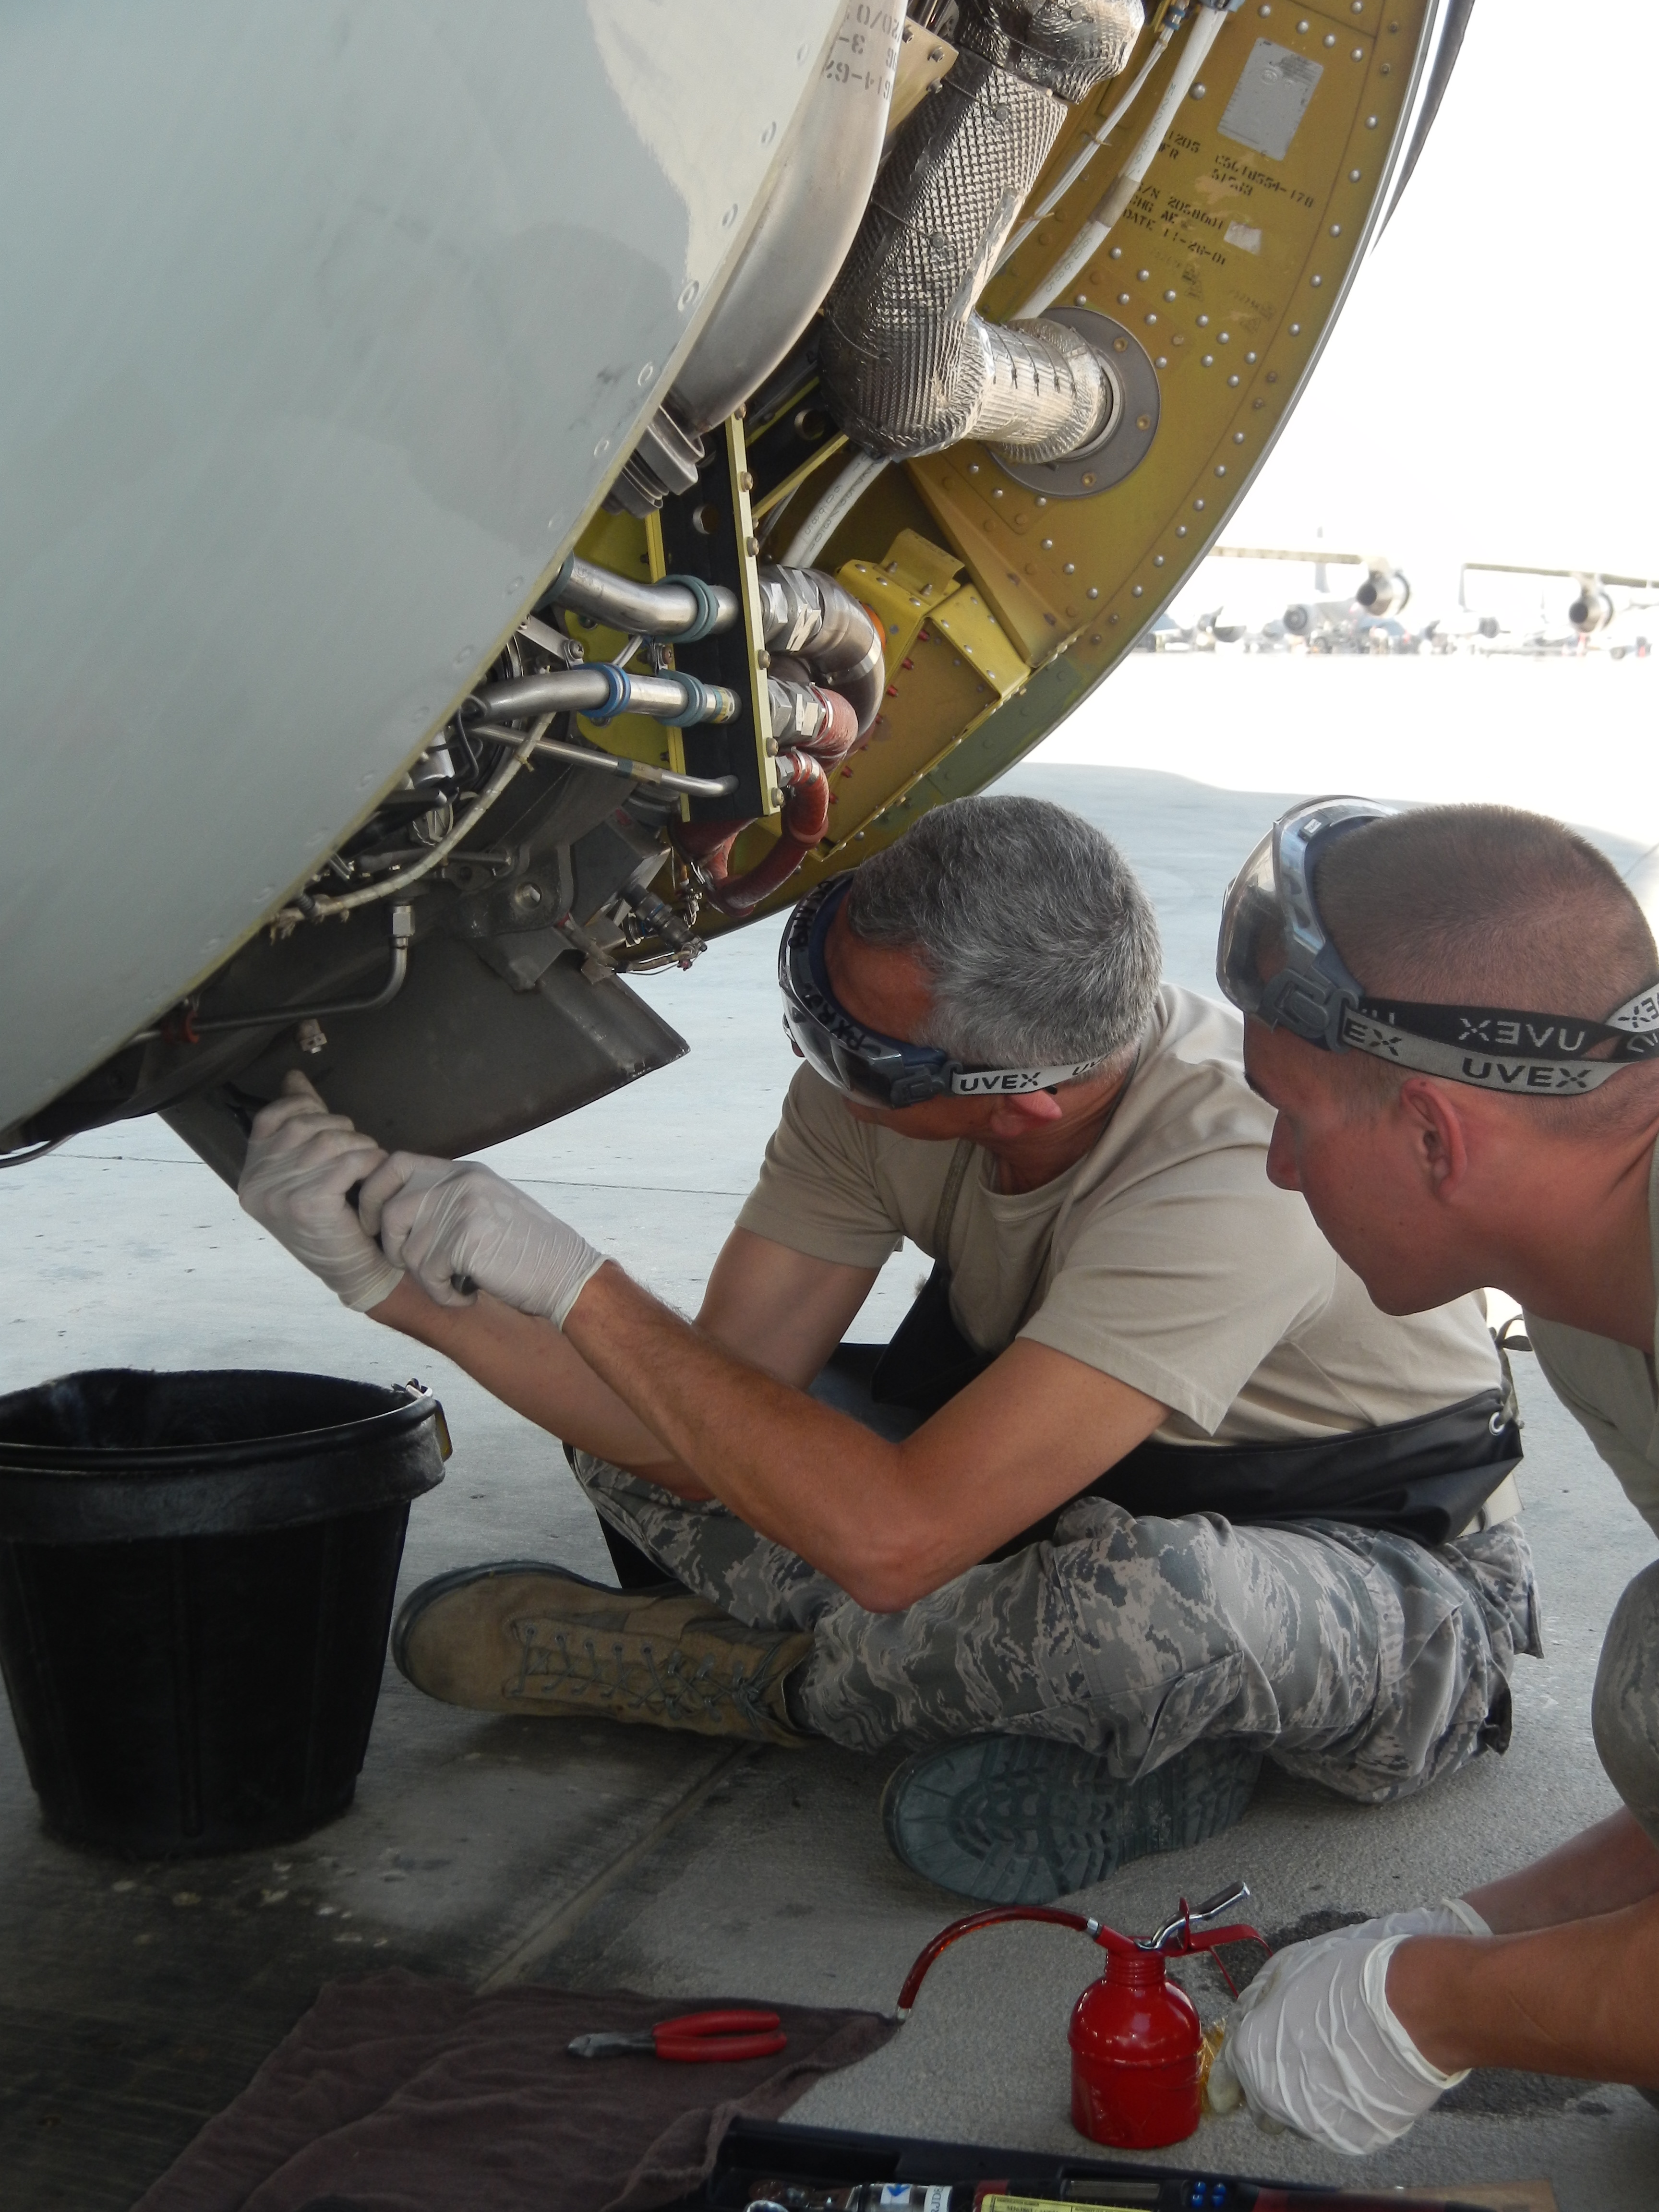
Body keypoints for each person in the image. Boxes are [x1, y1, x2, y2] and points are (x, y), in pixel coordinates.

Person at [239, 795, 1536, 1906]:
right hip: (1034, 1494)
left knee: (1154, 1614)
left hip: (1368, 1566)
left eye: (853, 1040)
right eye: (820, 983)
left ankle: (772, 1686)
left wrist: (582, 1290)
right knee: (656, 1420)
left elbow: (896, 1544)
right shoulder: (885, 1093)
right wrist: (393, 1287)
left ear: (1016, 1101)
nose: (817, 1049)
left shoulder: (1233, 1170)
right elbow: (692, 1425)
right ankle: (1078, 1727)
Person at [1204, 796, 1659, 2149]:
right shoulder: (1592, 1262)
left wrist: (1437, 2005)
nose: (1281, 1167)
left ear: (1433, 1136)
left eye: (1290, 1117)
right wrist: (1478, 1929)